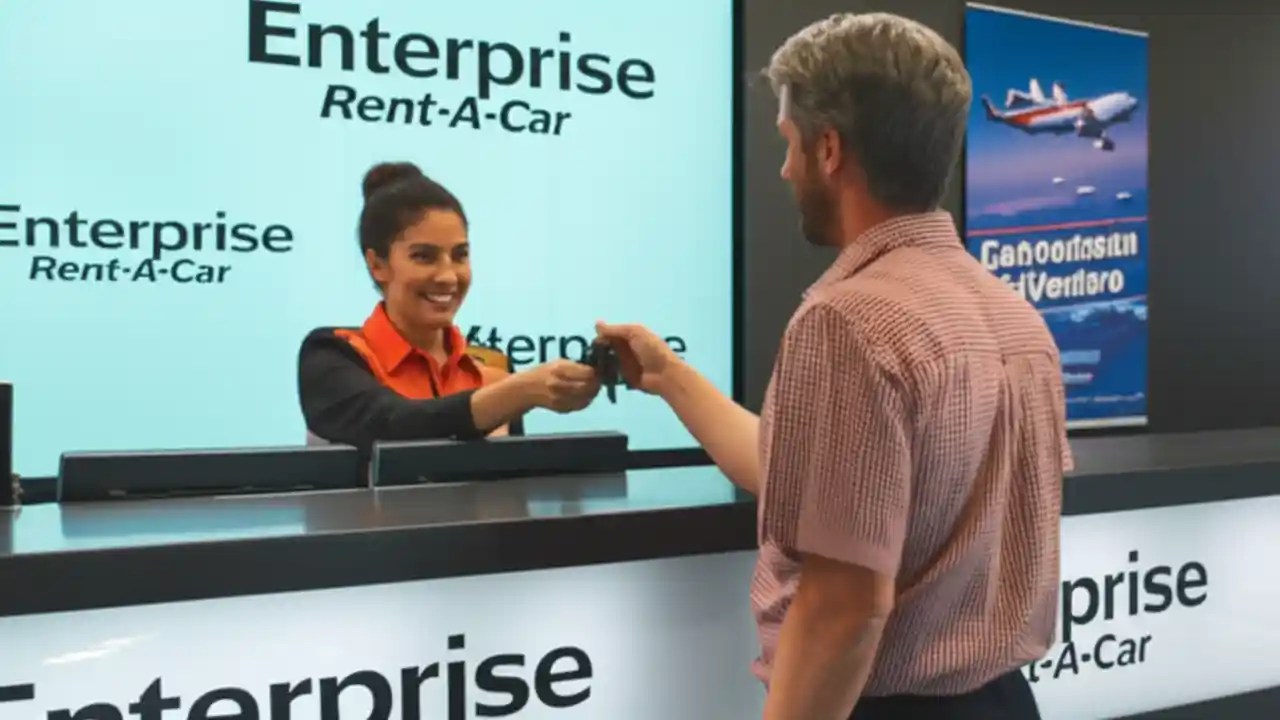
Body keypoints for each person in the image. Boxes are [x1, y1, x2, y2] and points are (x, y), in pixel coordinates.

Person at [596, 12, 1071, 720]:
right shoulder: (1017, 319)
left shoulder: (849, 321)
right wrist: (668, 375)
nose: (784, 168)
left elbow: (846, 605)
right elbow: (826, 485)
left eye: (788, 142)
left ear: (828, 149)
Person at [298, 162, 600, 449]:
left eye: (460, 255)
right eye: (423, 256)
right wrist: (519, 392)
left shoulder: (494, 370)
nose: (448, 276)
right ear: (377, 264)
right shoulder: (333, 355)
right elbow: (395, 424)